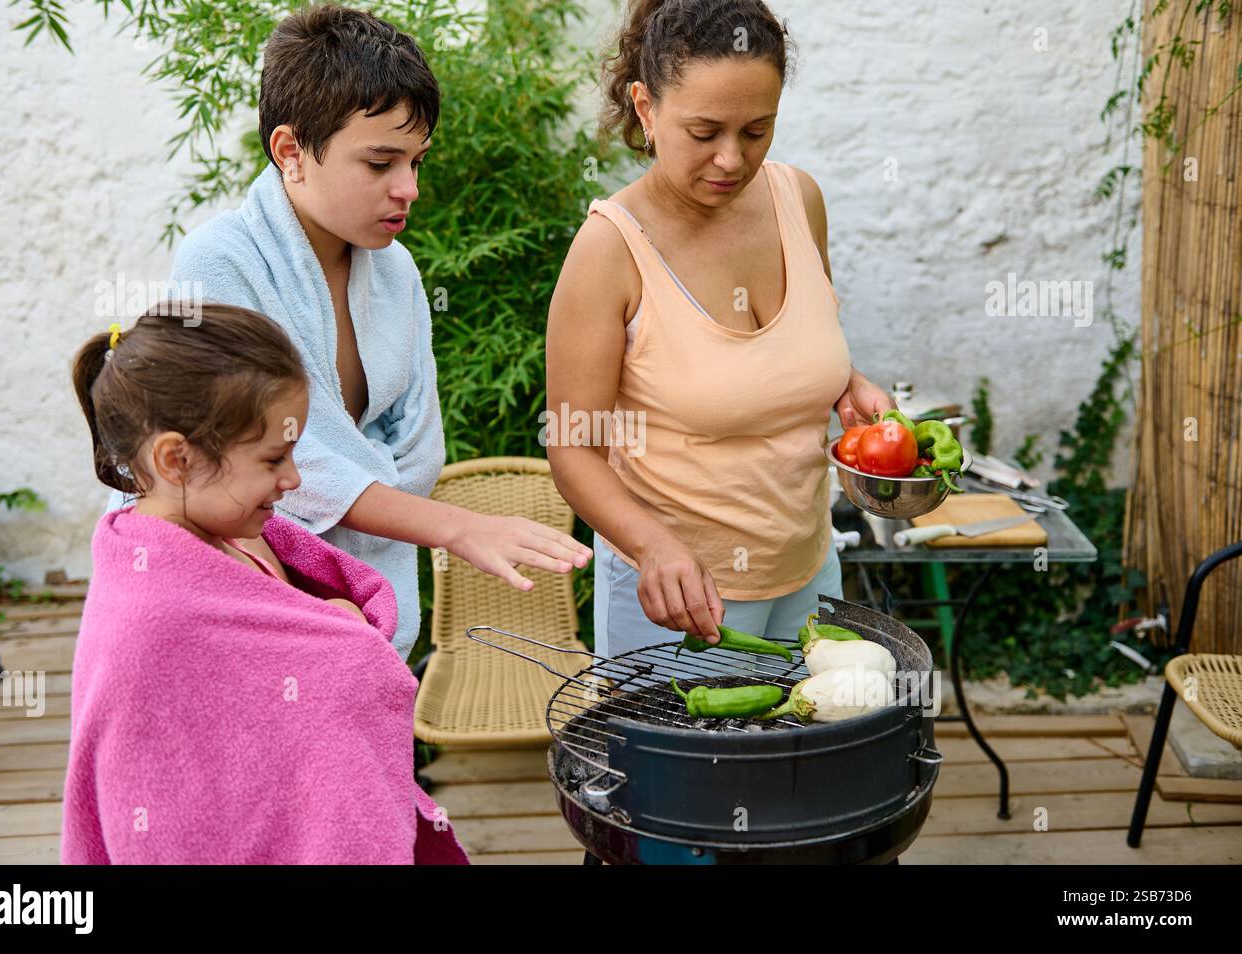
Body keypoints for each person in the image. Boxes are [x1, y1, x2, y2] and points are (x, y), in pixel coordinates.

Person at [106, 5, 590, 659]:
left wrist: (356, 487)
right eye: (381, 163)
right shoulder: (217, 261)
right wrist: (449, 527)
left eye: (417, 161)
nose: (409, 188)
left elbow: (420, 453)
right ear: (291, 152)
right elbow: (245, 452)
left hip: (373, 607)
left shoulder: (398, 275)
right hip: (249, 595)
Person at [546, 0, 895, 657]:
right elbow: (572, 449)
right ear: (646, 109)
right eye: (704, 132)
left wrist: (850, 385)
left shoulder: (800, 200)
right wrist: (653, 546)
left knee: (800, 756)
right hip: (682, 598)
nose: (731, 160)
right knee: (691, 764)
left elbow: (796, 349)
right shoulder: (610, 251)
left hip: (809, 569)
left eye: (756, 131)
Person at [63, 304, 468, 864]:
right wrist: (348, 634)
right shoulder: (149, 612)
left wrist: (335, 628)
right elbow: (168, 798)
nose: (293, 479)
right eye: (274, 457)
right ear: (177, 458)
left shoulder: (236, 537)